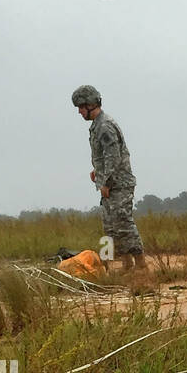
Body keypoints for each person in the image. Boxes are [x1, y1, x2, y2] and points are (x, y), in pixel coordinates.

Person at [70, 85, 147, 272]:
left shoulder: (105, 126)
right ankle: (122, 264)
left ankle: (141, 265)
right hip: (109, 183)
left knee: (123, 223)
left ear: (90, 104)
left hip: (118, 184)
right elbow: (104, 156)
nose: (79, 112)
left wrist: (105, 181)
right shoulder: (97, 126)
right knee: (109, 226)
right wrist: (97, 171)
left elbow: (113, 157)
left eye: (81, 107)